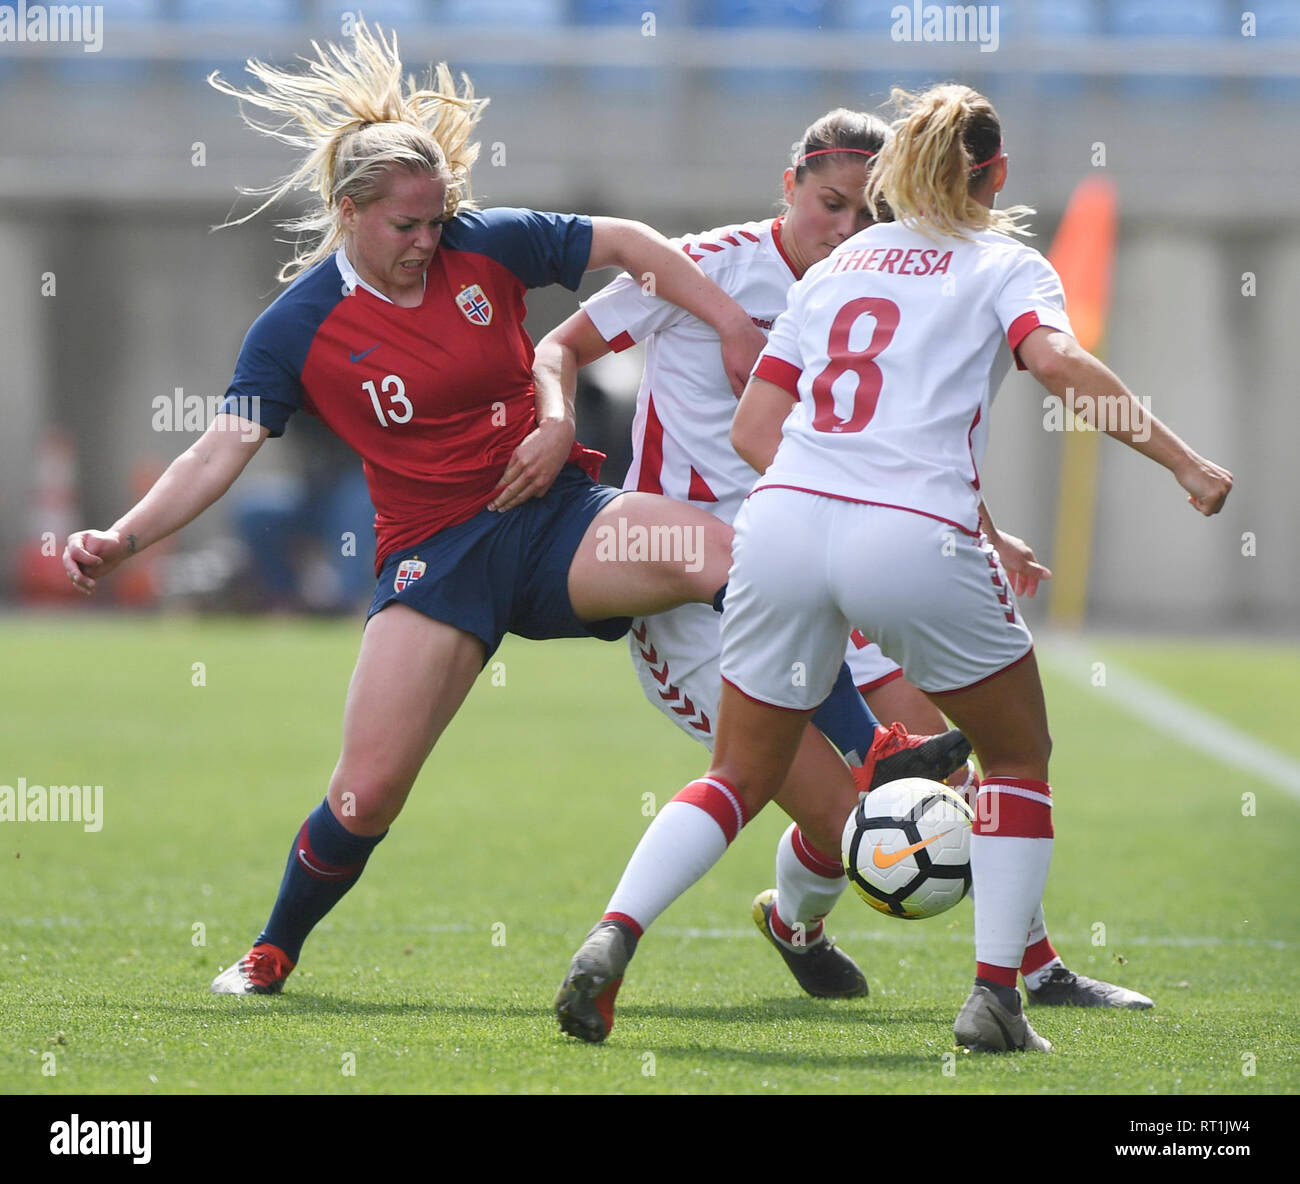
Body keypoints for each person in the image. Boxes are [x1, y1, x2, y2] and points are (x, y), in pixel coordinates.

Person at [59, 22, 953, 998]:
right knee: (366, 792)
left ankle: (878, 747)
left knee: (733, 555)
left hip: (559, 520)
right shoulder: (299, 325)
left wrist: (723, 323)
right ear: (350, 211)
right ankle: (271, 949)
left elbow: (627, 245)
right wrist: (125, 535)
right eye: (406, 226)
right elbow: (220, 444)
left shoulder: (484, 246)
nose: (427, 242)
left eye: (438, 222)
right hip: (436, 560)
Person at [554, 83, 1232, 1053]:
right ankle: (997, 996)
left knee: (738, 772)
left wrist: (827, 500)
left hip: (780, 527)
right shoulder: (1004, 262)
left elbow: (755, 427)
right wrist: (1182, 460)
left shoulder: (839, 263)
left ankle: (611, 932)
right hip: (910, 537)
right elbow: (1059, 366)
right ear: (994, 175)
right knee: (1012, 756)